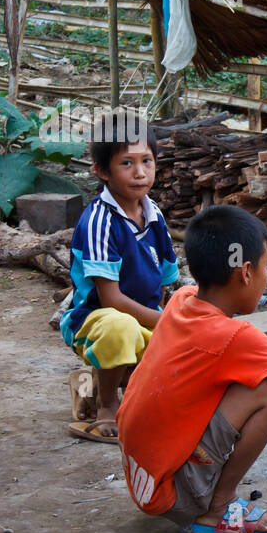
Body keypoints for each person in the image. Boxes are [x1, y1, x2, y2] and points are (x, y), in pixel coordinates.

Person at [115, 205, 267, 533]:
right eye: (266, 267)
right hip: (172, 495)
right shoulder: (236, 336)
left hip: (143, 478)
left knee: (264, 374)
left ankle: (206, 497)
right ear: (245, 272)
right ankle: (217, 506)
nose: (266, 277)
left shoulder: (181, 300)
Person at [62, 109, 179, 443]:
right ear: (102, 171)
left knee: (189, 342)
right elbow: (111, 299)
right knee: (121, 328)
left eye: (147, 161)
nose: (140, 173)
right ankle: (106, 402)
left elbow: (166, 282)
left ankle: (92, 383)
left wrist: (181, 316)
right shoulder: (100, 221)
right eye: (126, 163)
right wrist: (165, 323)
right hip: (95, 322)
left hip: (143, 318)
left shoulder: (153, 214)